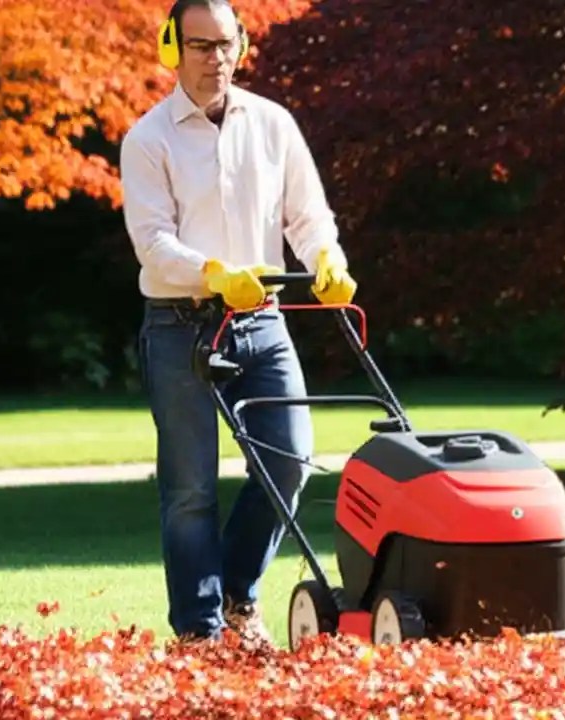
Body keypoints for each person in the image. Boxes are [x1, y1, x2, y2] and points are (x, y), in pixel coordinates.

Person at [118, 0, 357, 645]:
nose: (213, 59)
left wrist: (327, 260)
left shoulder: (273, 125)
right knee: (191, 488)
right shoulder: (148, 140)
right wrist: (215, 273)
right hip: (179, 325)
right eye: (198, 45)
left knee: (291, 462)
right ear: (173, 48)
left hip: (263, 320)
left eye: (224, 45)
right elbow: (153, 243)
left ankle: (234, 593)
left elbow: (307, 217)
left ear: (242, 46)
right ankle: (199, 633)